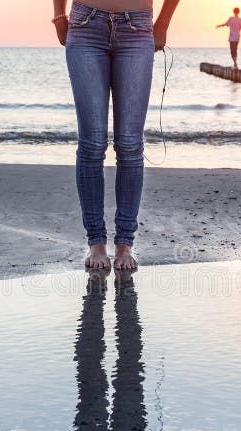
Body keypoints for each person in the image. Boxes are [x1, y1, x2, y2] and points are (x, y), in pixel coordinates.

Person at [52, 0, 180, 270]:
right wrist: (59, 15)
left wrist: (163, 23)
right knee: (92, 143)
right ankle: (96, 242)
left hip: (137, 29)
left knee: (130, 144)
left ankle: (125, 244)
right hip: (85, 26)